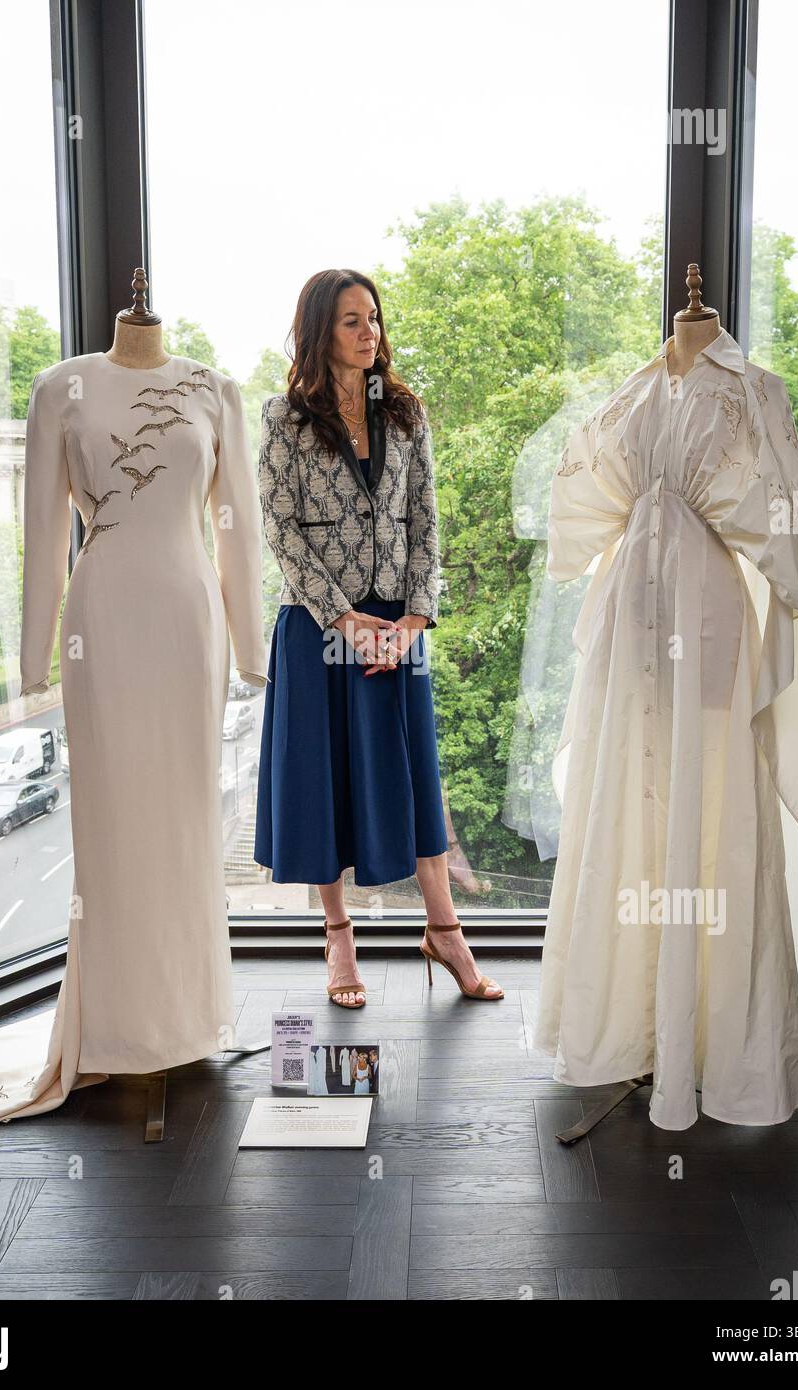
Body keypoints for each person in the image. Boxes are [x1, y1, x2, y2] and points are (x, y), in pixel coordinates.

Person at [254, 268, 503, 1008]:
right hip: (320, 630)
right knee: (326, 784)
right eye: (353, 323)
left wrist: (413, 622)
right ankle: (339, 942)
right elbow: (279, 528)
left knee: (413, 780)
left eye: (375, 320)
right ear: (319, 332)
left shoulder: (405, 413)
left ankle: (445, 931)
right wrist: (342, 618)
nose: (372, 335)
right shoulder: (284, 418)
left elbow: (427, 522)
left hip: (398, 631)